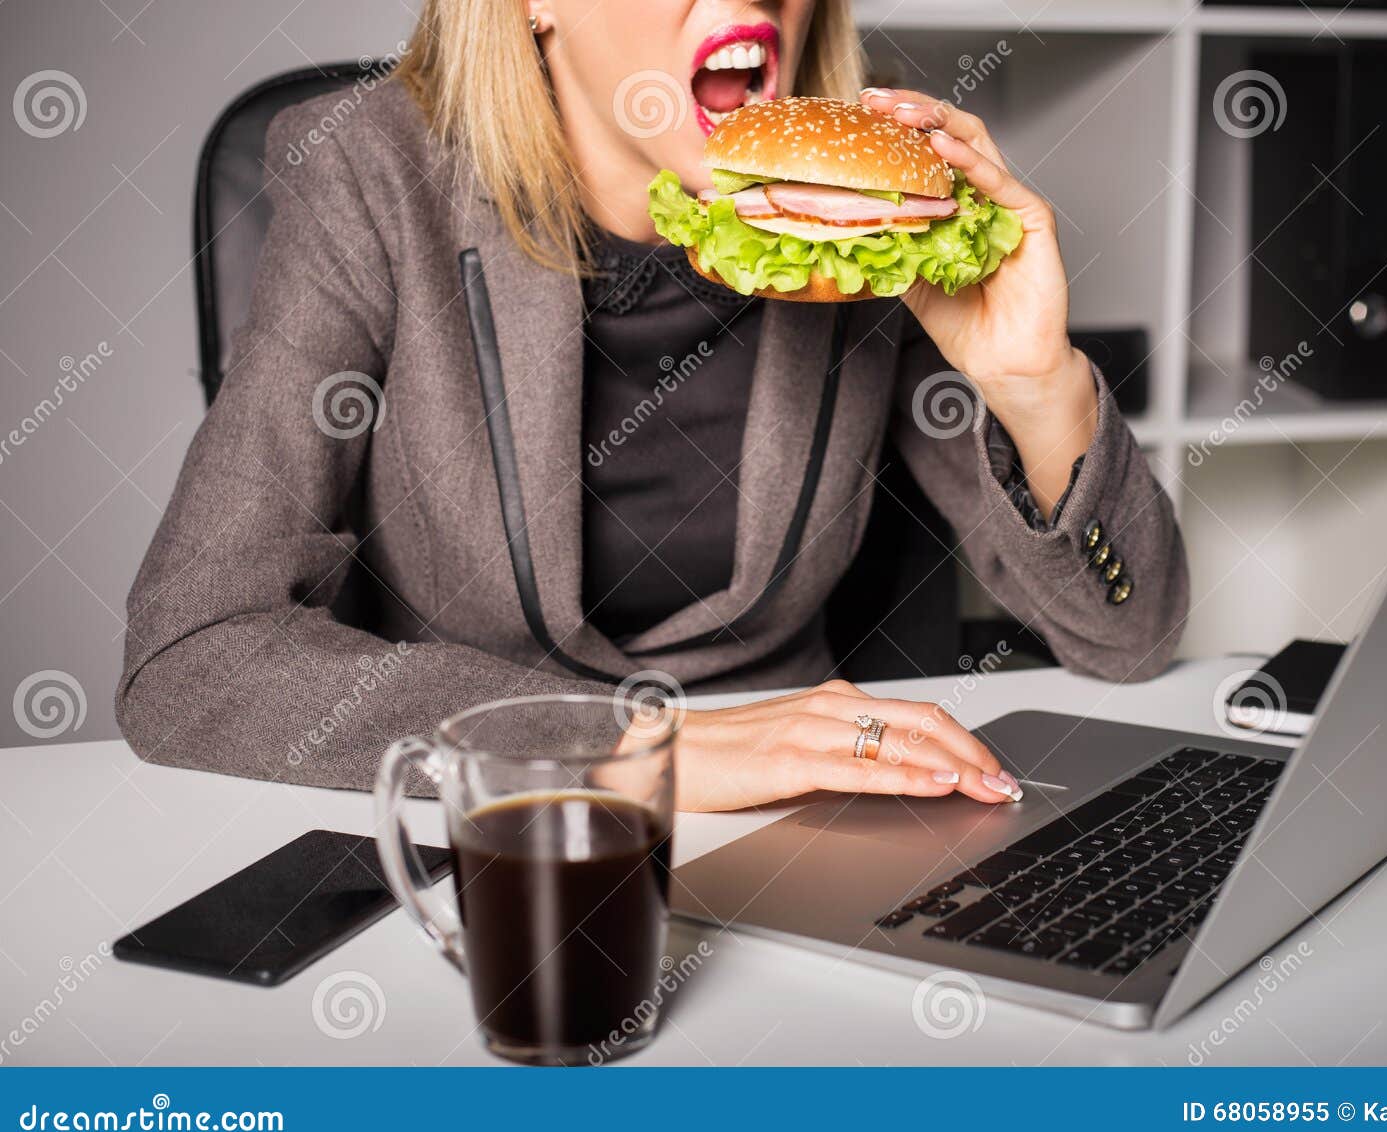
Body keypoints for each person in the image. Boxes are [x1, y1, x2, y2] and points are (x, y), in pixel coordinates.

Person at [117, 0, 1188, 811]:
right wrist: (636, 753)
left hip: (812, 812)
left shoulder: (866, 199)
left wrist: (1035, 384)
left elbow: (1128, 639)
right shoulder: (370, 170)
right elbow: (193, 655)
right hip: (499, 828)